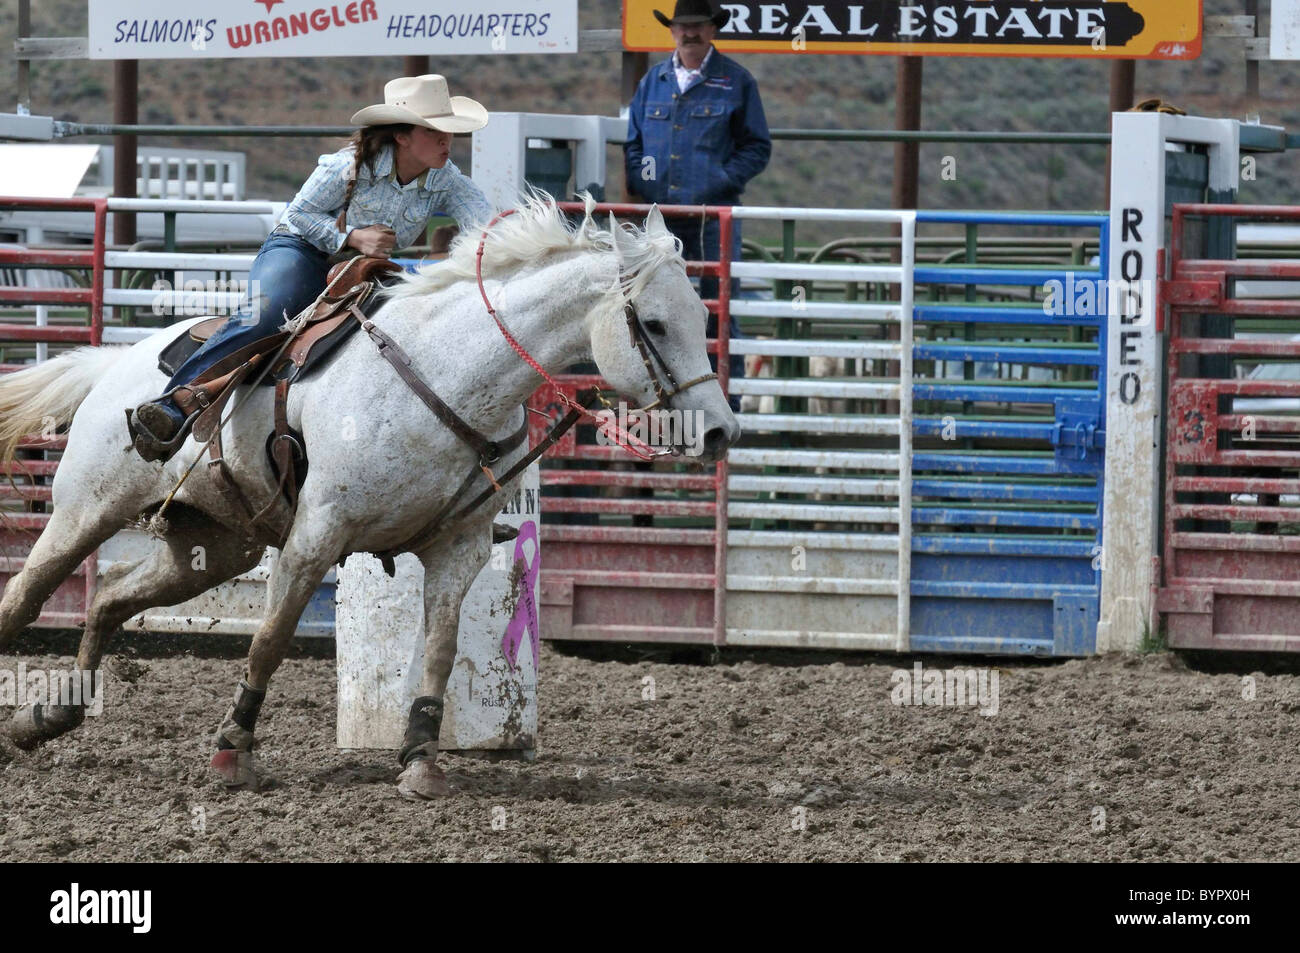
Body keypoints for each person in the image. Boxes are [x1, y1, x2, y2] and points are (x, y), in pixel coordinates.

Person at [128, 73, 493, 461]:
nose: (446, 140)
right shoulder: (346, 167)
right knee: (266, 314)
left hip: (365, 268)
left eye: (449, 131)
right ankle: (171, 406)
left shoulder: (447, 180)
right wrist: (353, 237)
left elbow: (485, 223)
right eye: (434, 130)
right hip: (300, 249)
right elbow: (298, 214)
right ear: (402, 136)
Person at [623, 0, 771, 406]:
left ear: (712, 29)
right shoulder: (653, 82)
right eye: (682, 26)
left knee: (719, 311)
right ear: (672, 31)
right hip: (661, 218)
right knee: (655, 313)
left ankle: (725, 408)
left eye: (698, 26)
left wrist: (720, 181)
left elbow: (757, 147)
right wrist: (645, 181)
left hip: (711, 218)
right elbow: (635, 144)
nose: (689, 33)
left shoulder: (737, 82)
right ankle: (667, 407)